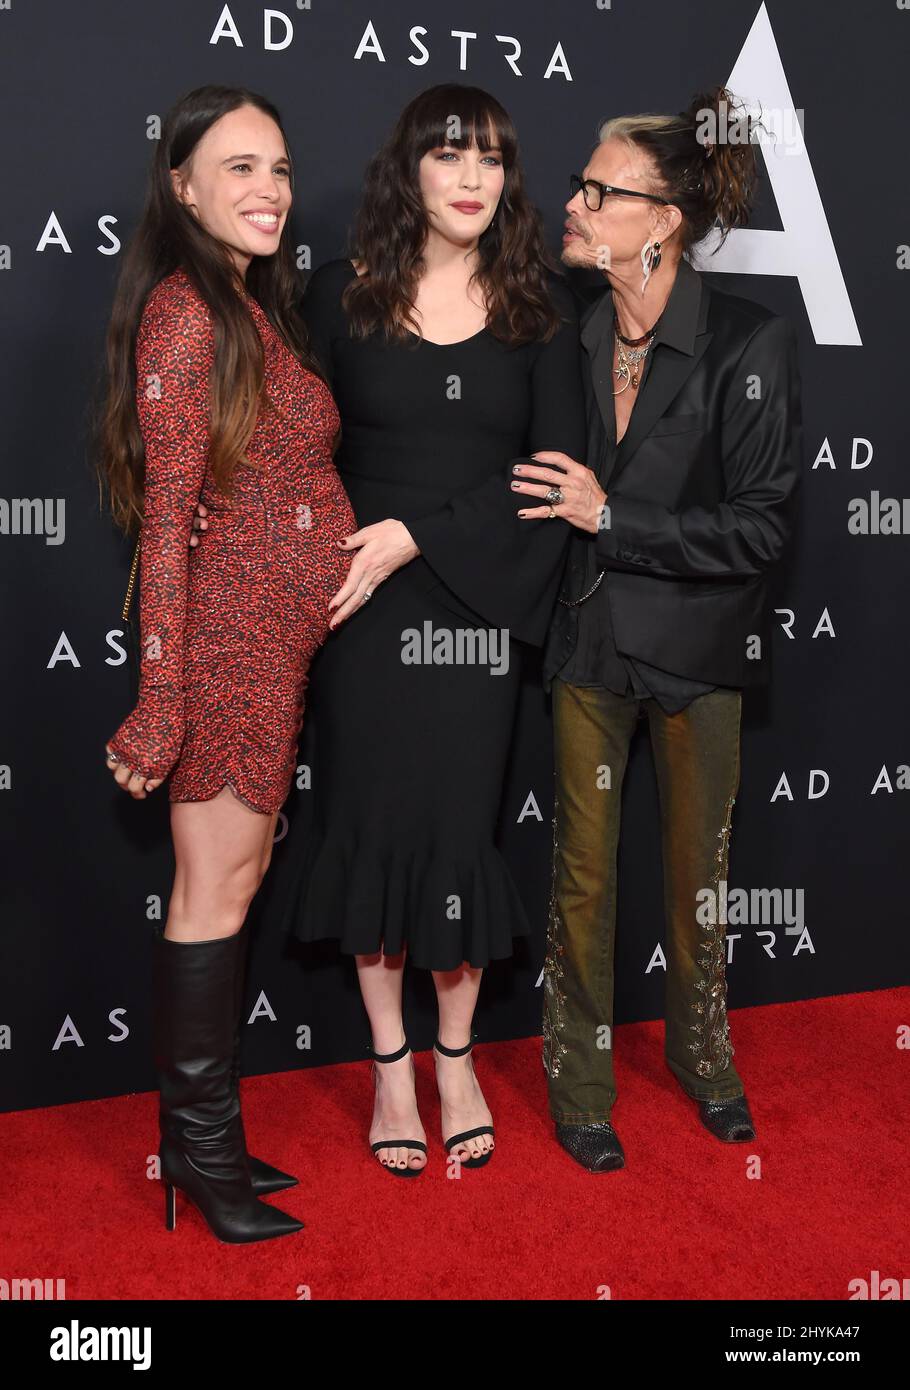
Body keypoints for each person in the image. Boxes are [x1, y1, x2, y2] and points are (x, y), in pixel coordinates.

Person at [192, 83, 586, 1175]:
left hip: (475, 604)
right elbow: (285, 444)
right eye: (451, 154)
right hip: (356, 606)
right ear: (409, 167)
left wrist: (420, 533)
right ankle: (389, 1069)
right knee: (369, 835)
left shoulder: (541, 310)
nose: (473, 177)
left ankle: (455, 1060)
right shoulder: (338, 294)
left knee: (457, 837)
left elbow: (552, 478)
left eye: (492, 159)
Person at [509, 86, 802, 1171]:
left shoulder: (747, 342)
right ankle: (580, 1086)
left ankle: (704, 1059)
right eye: (580, 187)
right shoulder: (571, 329)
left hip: (698, 652)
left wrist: (611, 518)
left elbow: (760, 525)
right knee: (582, 880)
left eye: (600, 192)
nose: (575, 205)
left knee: (698, 879)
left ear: (663, 220)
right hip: (588, 643)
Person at [98, 84, 355, 1238]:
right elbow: (165, 526)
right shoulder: (183, 316)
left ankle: (204, 1143)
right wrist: (161, 701)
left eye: (280, 168)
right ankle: (199, 1159)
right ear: (183, 186)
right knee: (213, 891)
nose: (269, 189)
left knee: (235, 887)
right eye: (240, 167)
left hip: (270, 651)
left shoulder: (247, 308)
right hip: (223, 651)